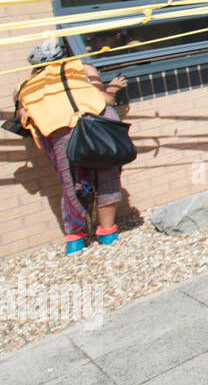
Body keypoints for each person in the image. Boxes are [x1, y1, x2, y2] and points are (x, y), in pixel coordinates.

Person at [13, 39, 126, 254]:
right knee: (107, 176)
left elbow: (25, 118)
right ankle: (108, 234)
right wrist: (112, 88)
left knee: (71, 184)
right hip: (96, 130)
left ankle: (75, 239)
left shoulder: (25, 87)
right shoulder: (82, 68)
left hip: (59, 135)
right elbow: (104, 100)